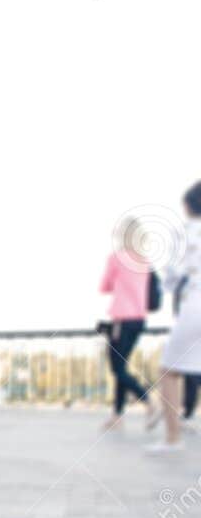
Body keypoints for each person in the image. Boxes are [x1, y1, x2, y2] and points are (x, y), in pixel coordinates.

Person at [149, 185, 201, 452]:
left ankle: (173, 439)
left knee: (168, 371)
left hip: (195, 305)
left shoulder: (186, 231)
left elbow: (171, 275)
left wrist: (165, 288)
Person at [100, 216, 154, 431]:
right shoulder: (144, 260)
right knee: (120, 367)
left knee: (117, 369)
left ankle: (149, 402)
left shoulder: (117, 258)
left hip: (122, 319)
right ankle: (117, 416)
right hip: (139, 320)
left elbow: (104, 286)